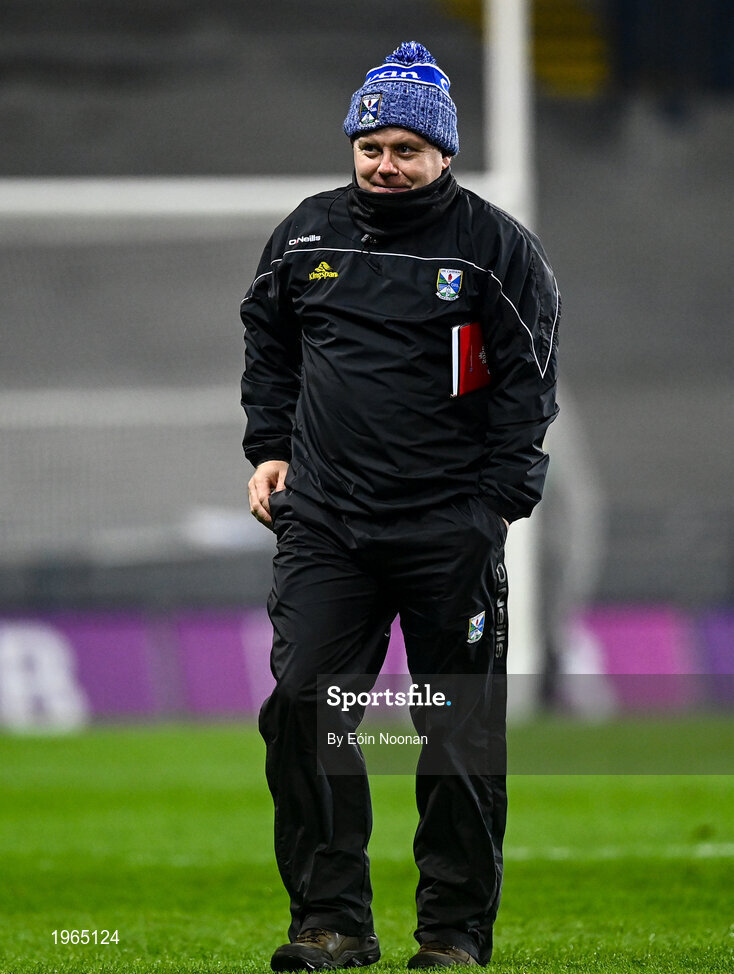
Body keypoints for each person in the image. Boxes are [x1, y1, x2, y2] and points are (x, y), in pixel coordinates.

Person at [240, 41, 560, 971]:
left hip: (446, 528)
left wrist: (493, 507)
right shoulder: (305, 235)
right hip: (326, 525)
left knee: (456, 732)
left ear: (443, 154)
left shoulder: (497, 248)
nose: (386, 164)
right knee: (302, 708)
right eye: (371, 147)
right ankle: (331, 924)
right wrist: (270, 449)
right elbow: (268, 344)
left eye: (407, 150)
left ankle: (452, 935)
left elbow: (529, 386)